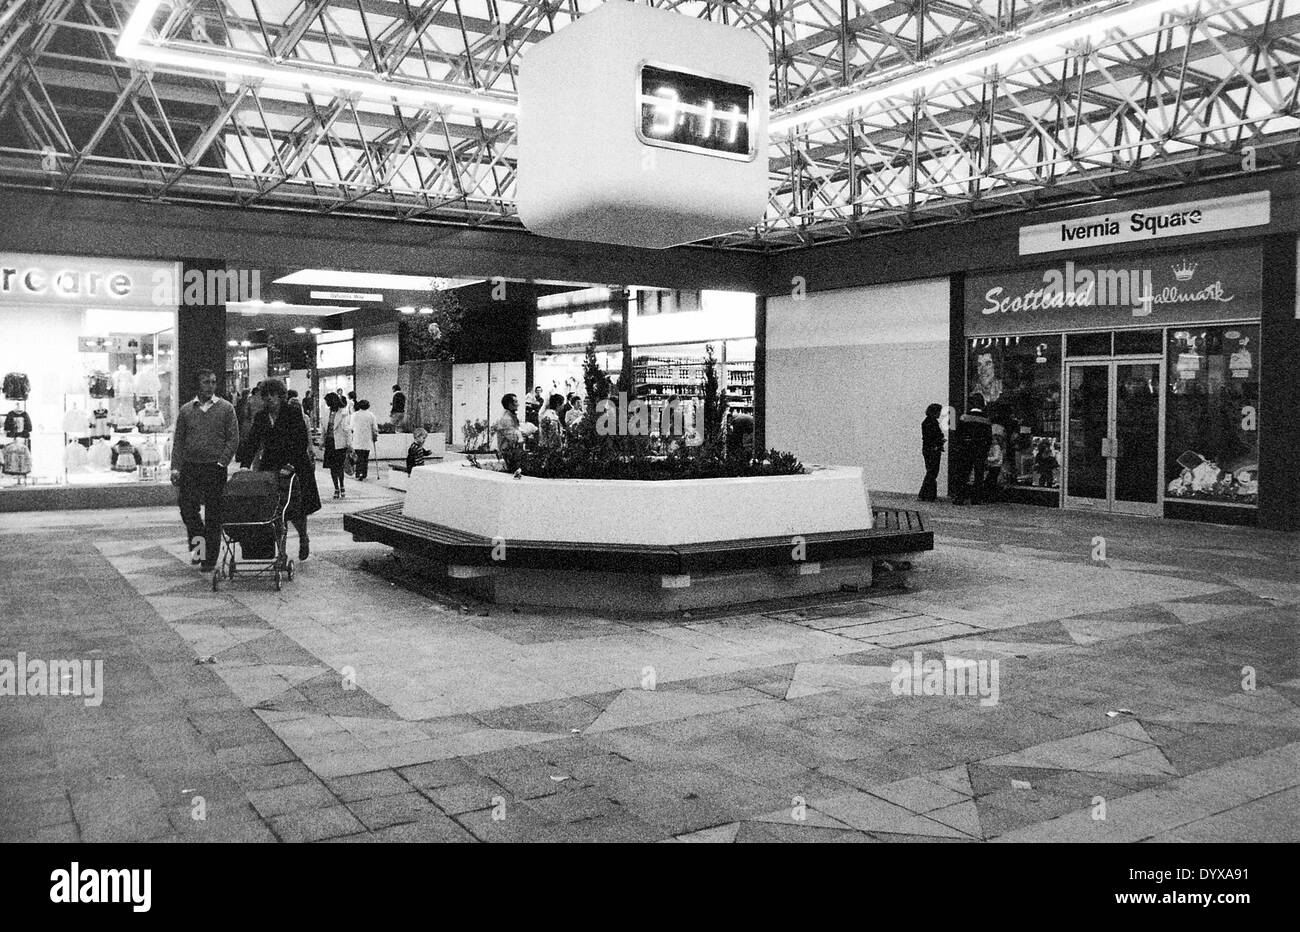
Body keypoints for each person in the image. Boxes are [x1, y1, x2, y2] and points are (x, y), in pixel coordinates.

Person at [238, 379, 321, 561]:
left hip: (295, 463)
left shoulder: (292, 413)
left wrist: (291, 465)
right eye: (265, 395)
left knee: (297, 510)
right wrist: (245, 464)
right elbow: (253, 441)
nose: (269, 399)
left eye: (273, 395)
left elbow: (299, 441)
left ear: (280, 395)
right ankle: (281, 552)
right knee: (275, 511)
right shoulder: (261, 416)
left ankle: (303, 536)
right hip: (271, 465)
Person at [171, 369, 240, 571]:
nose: (210, 386)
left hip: (214, 467)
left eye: (213, 382)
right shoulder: (186, 410)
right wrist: (175, 467)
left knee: (213, 514)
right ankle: (198, 548)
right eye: (205, 382)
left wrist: (222, 462)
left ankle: (208, 559)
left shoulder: (226, 409)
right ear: (197, 385)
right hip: (191, 467)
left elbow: (233, 438)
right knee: (188, 511)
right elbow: (179, 442)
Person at [951, 394, 993, 505]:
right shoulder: (986, 420)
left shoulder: (964, 417)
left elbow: (957, 435)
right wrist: (985, 450)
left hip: (966, 449)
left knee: (964, 473)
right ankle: (976, 498)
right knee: (978, 474)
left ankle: (960, 497)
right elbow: (989, 438)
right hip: (980, 451)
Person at [323, 392, 352, 499]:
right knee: (332, 467)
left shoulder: (343, 413)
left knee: (339, 466)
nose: (325, 403)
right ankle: (336, 488)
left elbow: (347, 429)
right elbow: (323, 429)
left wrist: (349, 444)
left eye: (327, 400)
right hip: (330, 443)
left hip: (340, 443)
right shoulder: (326, 413)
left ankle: (342, 486)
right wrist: (322, 441)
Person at [918, 403, 945, 502]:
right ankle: (926, 494)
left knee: (930, 471)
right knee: (932, 472)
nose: (940, 414)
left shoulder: (926, 422)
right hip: (933, 449)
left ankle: (928, 494)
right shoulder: (933, 423)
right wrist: (940, 441)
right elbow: (935, 436)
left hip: (927, 449)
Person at [492, 393, 523, 469]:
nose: (518, 404)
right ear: (510, 405)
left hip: (512, 452)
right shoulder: (507, 419)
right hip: (508, 454)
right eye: (515, 402)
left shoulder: (512, 416)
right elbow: (513, 438)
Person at [350, 399, 379, 481]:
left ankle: (358, 472)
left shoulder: (354, 415)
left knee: (358, 457)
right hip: (367, 440)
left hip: (357, 439)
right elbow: (375, 428)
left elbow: (351, 427)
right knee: (365, 458)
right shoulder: (371, 415)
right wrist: (375, 436)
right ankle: (364, 473)